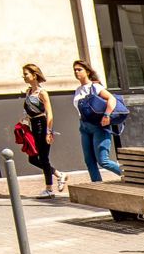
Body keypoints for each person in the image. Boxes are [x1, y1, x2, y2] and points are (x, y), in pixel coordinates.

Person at [72, 60, 122, 183]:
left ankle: (132, 175)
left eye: (79, 69)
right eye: (75, 70)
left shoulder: (95, 86)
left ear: (87, 71)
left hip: (98, 126)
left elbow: (111, 99)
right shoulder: (78, 90)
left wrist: (107, 115)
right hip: (84, 126)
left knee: (103, 161)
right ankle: (97, 185)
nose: (76, 72)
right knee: (89, 161)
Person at [21, 64, 66, 199]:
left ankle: (49, 188)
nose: (24, 76)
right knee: (33, 158)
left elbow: (49, 113)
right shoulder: (28, 91)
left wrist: (49, 132)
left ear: (34, 75)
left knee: (43, 158)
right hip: (32, 125)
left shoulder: (42, 92)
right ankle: (58, 174)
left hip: (42, 124)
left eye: (26, 74)